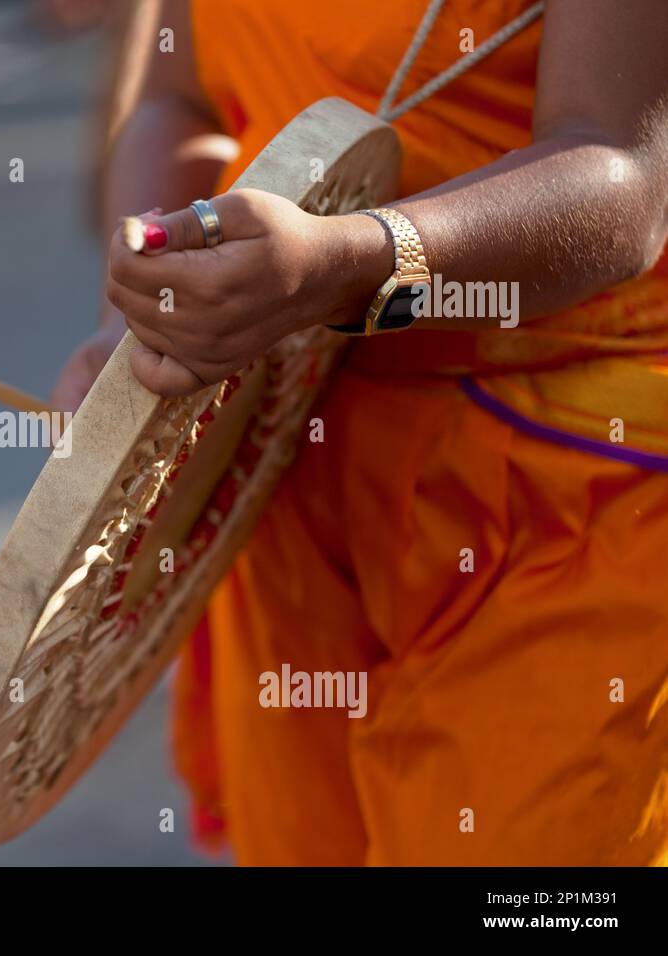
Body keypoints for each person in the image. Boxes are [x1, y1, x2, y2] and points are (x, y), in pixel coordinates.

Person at [52, 0, 668, 865]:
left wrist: (350, 267)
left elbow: (622, 174)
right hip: (293, 468)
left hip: (567, 498)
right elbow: (178, 97)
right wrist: (147, 311)